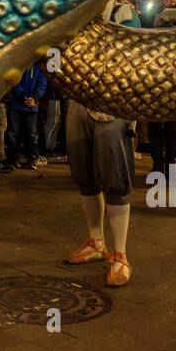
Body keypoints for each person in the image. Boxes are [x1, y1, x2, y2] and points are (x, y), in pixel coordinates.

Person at [63, 100, 135, 287]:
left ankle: (120, 255)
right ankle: (96, 243)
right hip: (79, 101)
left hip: (115, 101)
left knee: (115, 179)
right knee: (84, 176)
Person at [7, 62, 47, 170]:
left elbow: (42, 83)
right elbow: (14, 82)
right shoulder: (19, 65)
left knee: (32, 134)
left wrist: (35, 97)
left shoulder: (37, 67)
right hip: (17, 105)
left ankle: (32, 159)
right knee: (13, 133)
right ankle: (13, 159)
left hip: (32, 106)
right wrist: (24, 97)